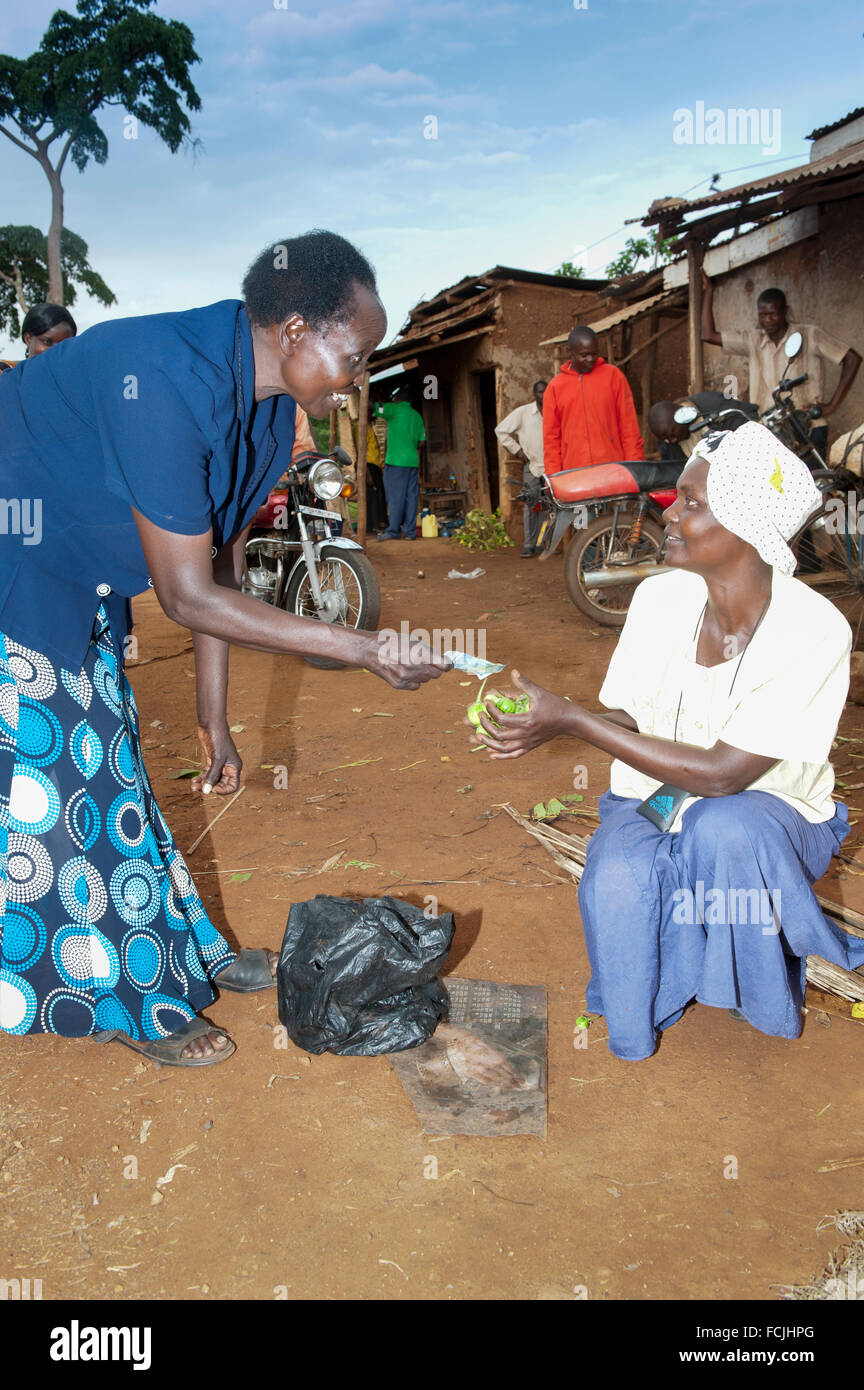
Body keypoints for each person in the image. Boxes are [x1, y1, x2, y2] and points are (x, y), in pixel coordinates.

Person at [0, 230, 447, 1068]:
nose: (359, 383)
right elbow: (184, 596)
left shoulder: (270, 414)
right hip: (15, 559)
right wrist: (361, 647)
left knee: (110, 766)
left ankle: (179, 952)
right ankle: (126, 997)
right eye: (356, 356)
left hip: (70, 573)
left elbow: (221, 567)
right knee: (58, 786)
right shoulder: (163, 378)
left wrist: (214, 721)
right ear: (295, 330)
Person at [475, 421, 864, 1061]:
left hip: (770, 819)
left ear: (744, 529)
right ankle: (644, 1008)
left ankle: (751, 994)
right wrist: (546, 722)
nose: (671, 514)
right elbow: (629, 718)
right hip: (658, 796)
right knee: (618, 872)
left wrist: (572, 720)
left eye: (691, 503)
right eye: (676, 497)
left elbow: (722, 777)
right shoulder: (659, 599)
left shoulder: (813, 630)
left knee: (722, 828)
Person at [701, 271, 861, 454]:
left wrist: (832, 405)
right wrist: (709, 291)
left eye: (773, 314)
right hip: (770, 431)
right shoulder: (753, 341)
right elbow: (708, 335)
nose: (767, 320)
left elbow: (852, 358)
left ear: (785, 311)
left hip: (808, 426)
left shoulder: (809, 335)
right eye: (762, 315)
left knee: (814, 479)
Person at [543, 327, 644, 474]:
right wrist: (554, 478)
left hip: (613, 469)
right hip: (574, 474)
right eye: (584, 355)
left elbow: (629, 427)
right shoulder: (555, 387)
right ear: (569, 351)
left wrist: (636, 470)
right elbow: (551, 439)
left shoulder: (613, 376)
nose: (590, 359)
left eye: (594, 354)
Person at [495, 380, 547, 558]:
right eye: (540, 392)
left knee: (548, 506)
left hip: (552, 467)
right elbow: (500, 430)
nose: (544, 395)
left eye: (546, 392)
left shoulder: (554, 411)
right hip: (532, 465)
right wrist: (517, 451)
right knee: (531, 504)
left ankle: (543, 543)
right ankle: (529, 544)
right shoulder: (524, 413)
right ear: (534, 394)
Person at [374, 388, 426, 540]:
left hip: (396, 462)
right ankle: (410, 532)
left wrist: (377, 400)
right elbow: (422, 442)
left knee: (395, 497)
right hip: (412, 462)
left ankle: (394, 531)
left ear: (397, 398)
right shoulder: (417, 416)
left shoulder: (393, 409)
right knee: (411, 497)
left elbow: (374, 407)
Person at [648, 392, 757, 463]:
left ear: (683, 414)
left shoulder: (714, 406)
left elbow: (751, 417)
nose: (673, 440)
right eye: (666, 438)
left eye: (673, 433)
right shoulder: (667, 445)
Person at [0, 302, 77, 373]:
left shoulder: (75, 378)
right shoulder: (5, 375)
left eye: (63, 345)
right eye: (47, 342)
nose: (55, 351)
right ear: (28, 339)